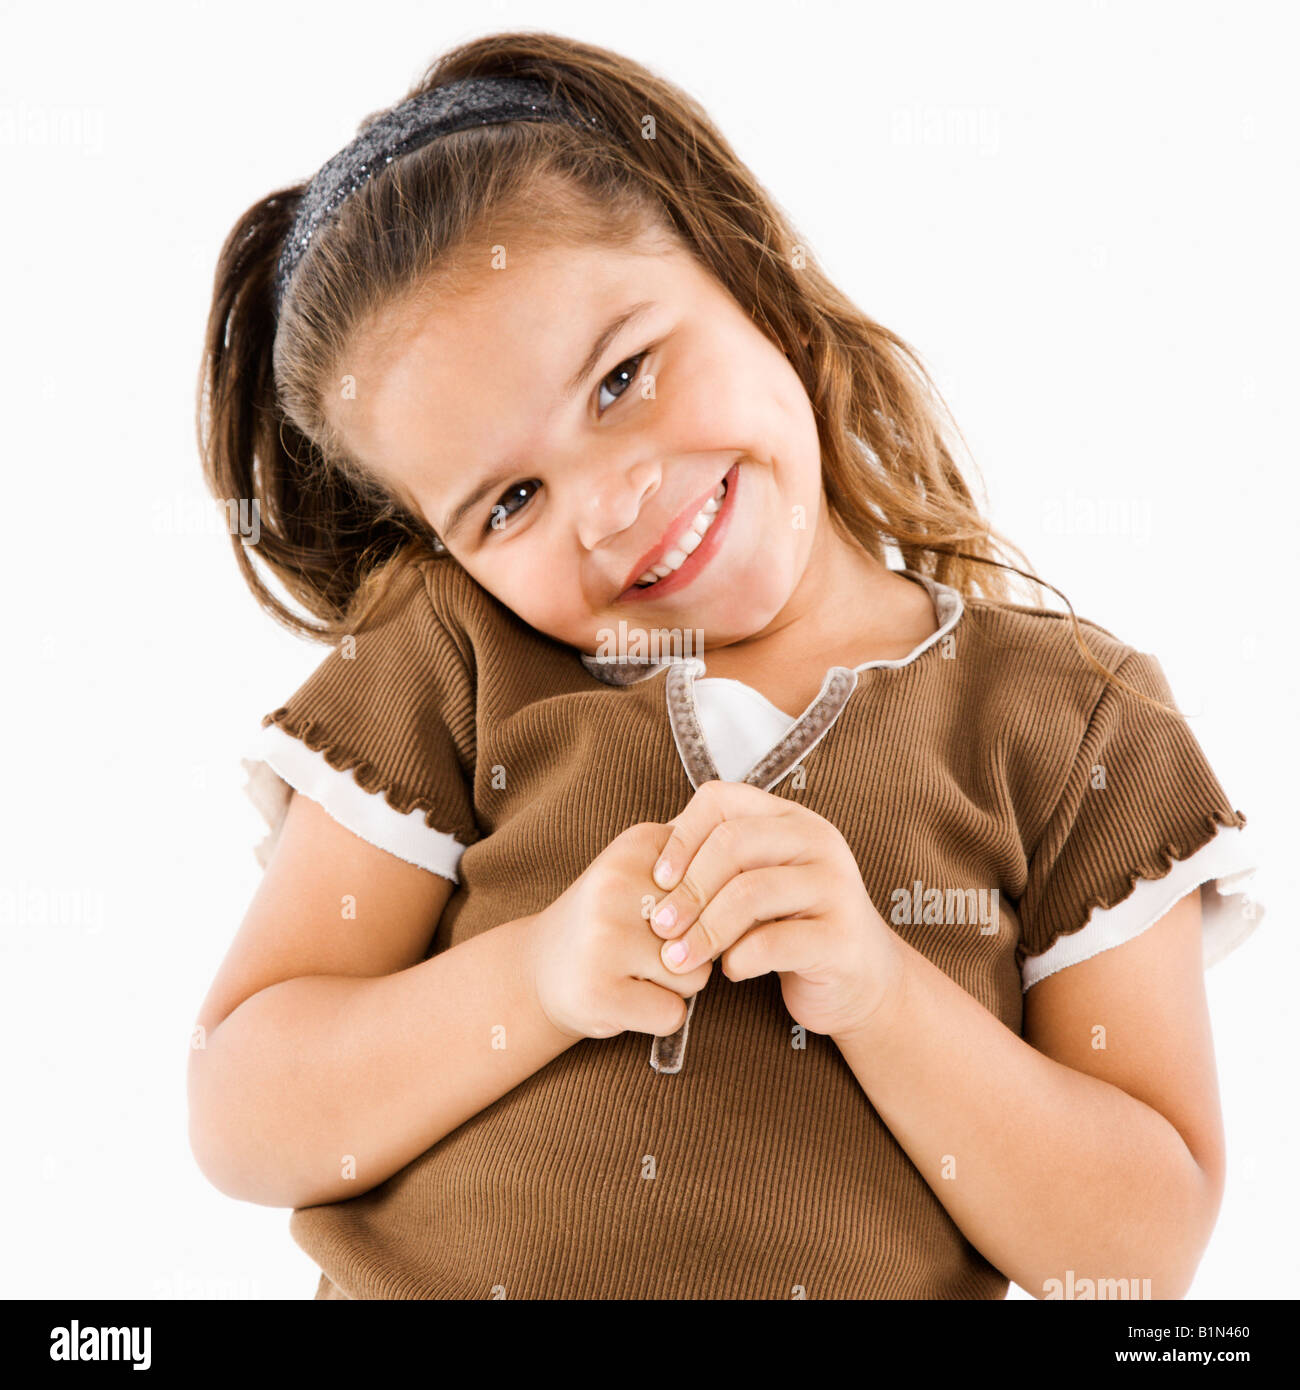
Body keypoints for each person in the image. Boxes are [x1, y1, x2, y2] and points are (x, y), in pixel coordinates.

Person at [189, 30, 1262, 1299]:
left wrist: (879, 991)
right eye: (511, 499)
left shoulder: (1073, 725)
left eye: (621, 378)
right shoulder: (455, 657)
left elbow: (1136, 1254)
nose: (610, 505)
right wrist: (532, 978)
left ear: (742, 266)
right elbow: (244, 1110)